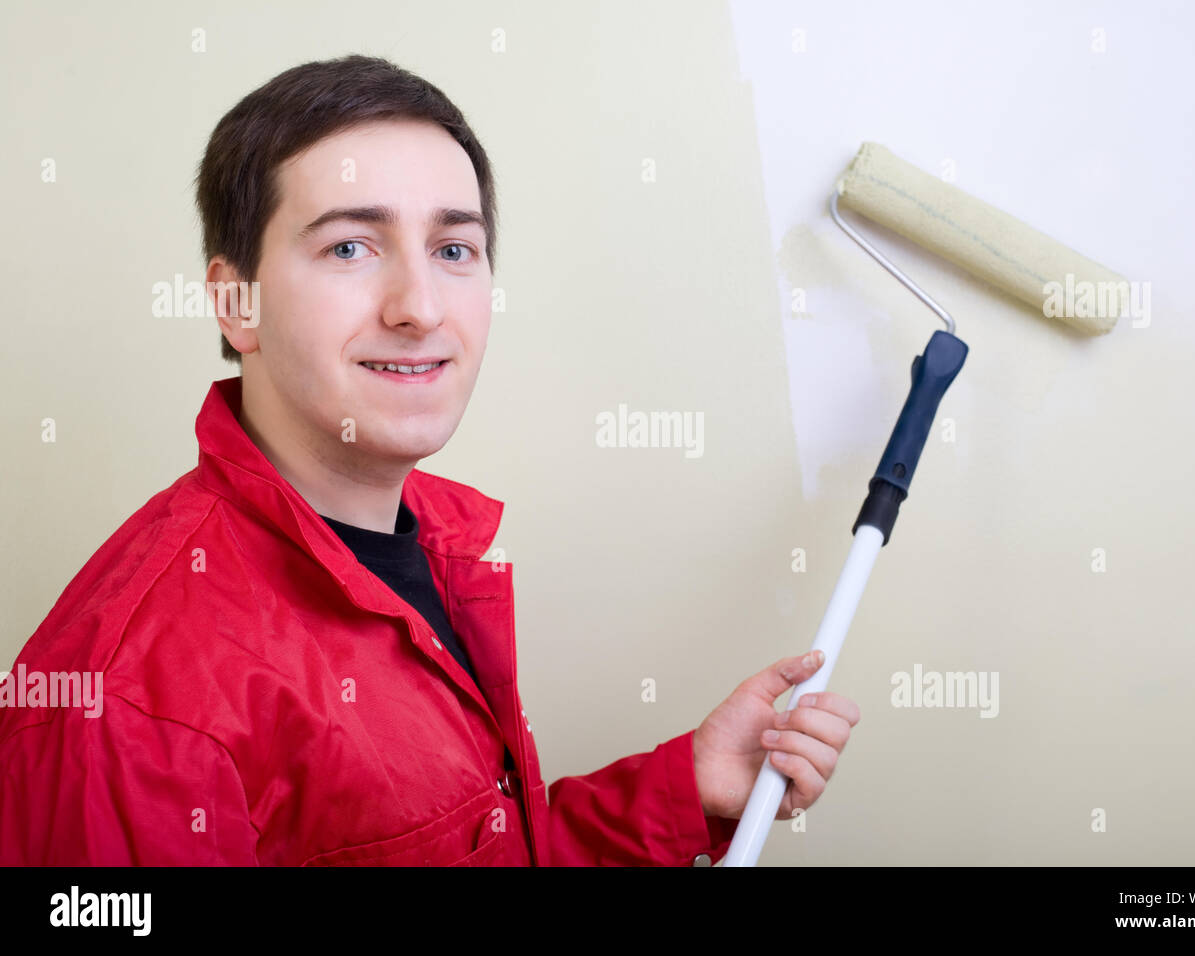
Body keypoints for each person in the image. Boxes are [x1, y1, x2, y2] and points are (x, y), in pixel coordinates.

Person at [0, 54, 859, 866]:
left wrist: (685, 789)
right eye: (349, 246)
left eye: (454, 250)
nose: (419, 307)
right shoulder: (121, 705)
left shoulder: (435, 544)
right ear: (236, 303)